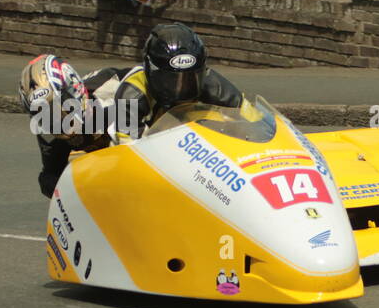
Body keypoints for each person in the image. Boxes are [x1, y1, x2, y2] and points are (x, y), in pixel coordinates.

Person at [25, 24, 244, 196]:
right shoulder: (48, 130)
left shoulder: (111, 94)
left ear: (75, 91)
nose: (55, 122)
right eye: (44, 117)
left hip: (166, 129)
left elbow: (134, 153)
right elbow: (50, 179)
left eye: (58, 112)